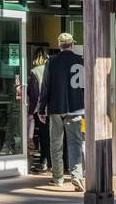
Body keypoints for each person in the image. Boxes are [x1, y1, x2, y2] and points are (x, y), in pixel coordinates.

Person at [36, 32, 85, 191]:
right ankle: (76, 176)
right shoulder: (81, 61)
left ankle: (57, 178)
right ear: (72, 44)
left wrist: (41, 108)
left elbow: (45, 87)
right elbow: (85, 88)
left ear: (59, 45)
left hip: (56, 108)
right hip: (76, 108)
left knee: (56, 144)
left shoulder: (52, 61)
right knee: (75, 143)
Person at [27, 47, 50, 173]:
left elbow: (34, 94)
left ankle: (43, 161)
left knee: (43, 136)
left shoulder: (34, 72)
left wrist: (31, 111)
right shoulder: (50, 70)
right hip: (52, 108)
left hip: (40, 109)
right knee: (50, 136)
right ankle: (50, 161)